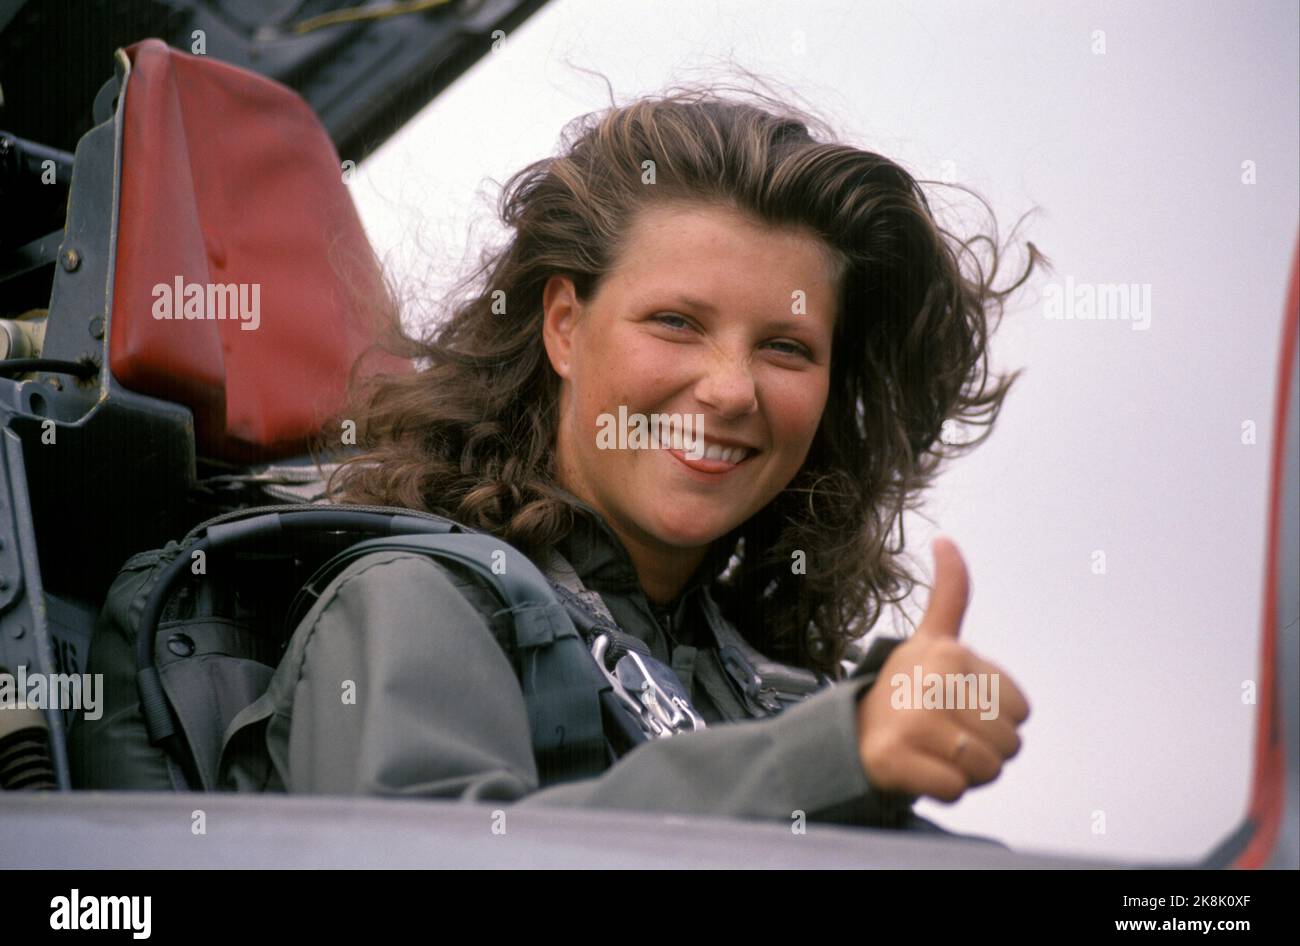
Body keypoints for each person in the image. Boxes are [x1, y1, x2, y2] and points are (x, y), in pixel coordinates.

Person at [223, 84, 1039, 836]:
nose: (731, 390)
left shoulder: (760, 681)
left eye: (786, 347)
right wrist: (837, 752)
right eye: (677, 322)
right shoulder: (415, 599)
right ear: (564, 327)